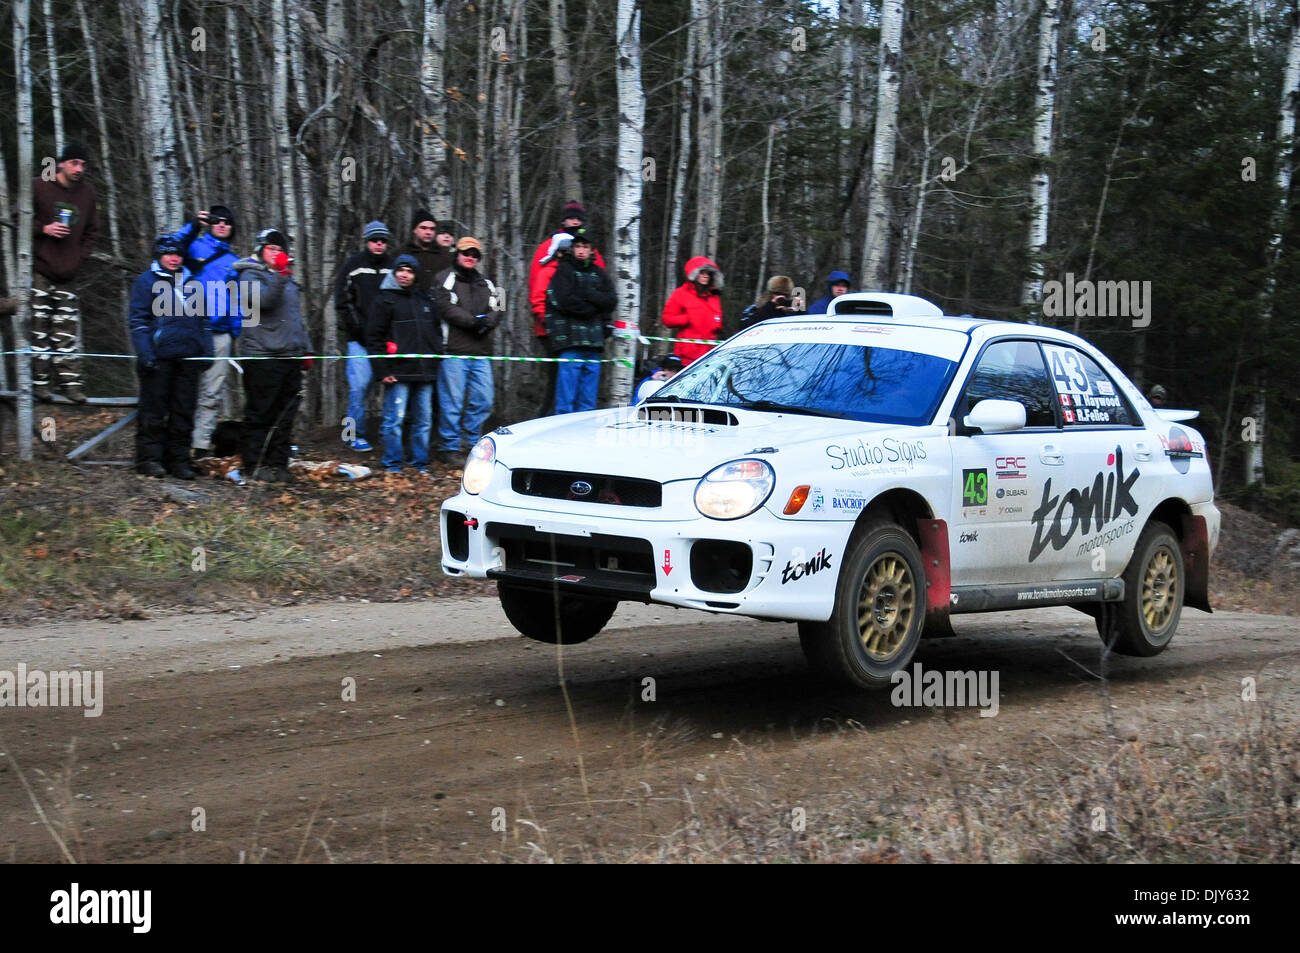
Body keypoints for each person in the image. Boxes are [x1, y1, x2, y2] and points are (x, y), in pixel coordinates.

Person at [230, 228, 312, 483]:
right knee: (260, 413)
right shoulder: (248, 275)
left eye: (280, 249)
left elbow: (296, 319)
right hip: (262, 355)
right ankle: (254, 465)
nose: (277, 253)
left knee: (284, 415)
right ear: (260, 250)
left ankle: (279, 465)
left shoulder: (286, 279)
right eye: (271, 248)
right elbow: (263, 302)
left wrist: (305, 348)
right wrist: (278, 274)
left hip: (289, 355)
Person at [161, 205, 242, 459]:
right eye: (217, 220)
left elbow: (241, 300)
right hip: (190, 331)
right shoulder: (193, 248)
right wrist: (195, 225)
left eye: (227, 222)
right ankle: (176, 444)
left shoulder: (235, 262)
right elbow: (171, 246)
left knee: (212, 393)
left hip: (220, 334)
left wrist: (237, 332)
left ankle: (201, 446)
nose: (222, 225)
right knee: (183, 391)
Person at [127, 236, 210, 479]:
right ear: (159, 255)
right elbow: (138, 321)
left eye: (178, 254)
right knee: (153, 411)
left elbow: (204, 322)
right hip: (158, 358)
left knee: (183, 412)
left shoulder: (194, 283)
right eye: (168, 254)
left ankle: (179, 460)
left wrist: (207, 352)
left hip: (188, 359)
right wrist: (145, 352)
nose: (174, 258)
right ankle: (149, 460)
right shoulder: (146, 281)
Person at [31, 141, 100, 402]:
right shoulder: (40, 186)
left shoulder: (88, 194)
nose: (78, 168)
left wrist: (79, 257)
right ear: (61, 163)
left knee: (66, 331)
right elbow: (19, 216)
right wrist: (44, 229)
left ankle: (70, 385)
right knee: (39, 328)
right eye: (74, 163)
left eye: (82, 164)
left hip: (69, 271)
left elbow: (93, 231)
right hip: (41, 267)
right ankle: (40, 384)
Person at [366, 255, 443, 474]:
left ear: (415, 274)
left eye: (409, 271)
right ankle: (392, 464)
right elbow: (374, 338)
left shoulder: (426, 300)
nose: (404, 274)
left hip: (425, 371)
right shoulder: (384, 300)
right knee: (394, 420)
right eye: (400, 270)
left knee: (424, 421)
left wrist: (436, 360)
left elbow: (437, 334)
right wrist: (382, 370)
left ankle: (419, 463)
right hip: (397, 371)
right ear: (394, 273)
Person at [529, 201, 607, 413]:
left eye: (578, 218)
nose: (574, 221)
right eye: (571, 218)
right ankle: (548, 421)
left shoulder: (592, 251)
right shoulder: (546, 249)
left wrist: (598, 315)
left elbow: (601, 284)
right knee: (558, 381)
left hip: (588, 331)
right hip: (552, 328)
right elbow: (537, 289)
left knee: (584, 386)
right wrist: (546, 321)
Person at [432, 237, 504, 467]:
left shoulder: (489, 283)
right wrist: (472, 322)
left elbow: (500, 305)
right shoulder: (444, 278)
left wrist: (489, 322)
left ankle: (471, 442)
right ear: (457, 254)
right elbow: (444, 307)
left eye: (474, 254)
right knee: (452, 401)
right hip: (453, 350)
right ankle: (449, 446)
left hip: (481, 351)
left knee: (484, 399)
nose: (470, 257)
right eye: (466, 253)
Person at [334, 220, 394, 452]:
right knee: (358, 388)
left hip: (388, 341)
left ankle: (388, 435)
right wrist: (357, 329)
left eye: (383, 240)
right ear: (367, 241)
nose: (378, 244)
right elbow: (342, 301)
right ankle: (351, 433)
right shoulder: (353, 264)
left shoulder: (394, 266)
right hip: (359, 340)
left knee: (392, 387)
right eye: (374, 240)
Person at [545, 228, 617, 414]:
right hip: (570, 342)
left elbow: (611, 300)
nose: (581, 250)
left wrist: (587, 296)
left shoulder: (599, 273)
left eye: (585, 246)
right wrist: (594, 307)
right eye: (577, 246)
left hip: (593, 343)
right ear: (572, 248)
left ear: (592, 249)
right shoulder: (564, 269)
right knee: (565, 402)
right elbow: (564, 300)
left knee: (587, 404)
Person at [660, 255, 724, 365]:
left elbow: (717, 322)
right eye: (702, 273)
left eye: (708, 273)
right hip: (687, 354)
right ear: (695, 274)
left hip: (709, 353)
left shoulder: (714, 297)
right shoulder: (681, 293)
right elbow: (667, 319)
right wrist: (687, 318)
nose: (705, 276)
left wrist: (717, 325)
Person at [403, 210, 454, 291]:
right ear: (414, 230)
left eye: (432, 229)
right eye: (423, 228)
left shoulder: (446, 257)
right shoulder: (402, 253)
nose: (428, 232)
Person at [739, 275, 805, 331]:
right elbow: (744, 327)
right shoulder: (754, 309)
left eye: (785, 295)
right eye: (777, 293)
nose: (781, 297)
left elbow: (805, 330)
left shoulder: (793, 311)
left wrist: (801, 310)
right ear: (770, 293)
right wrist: (769, 307)